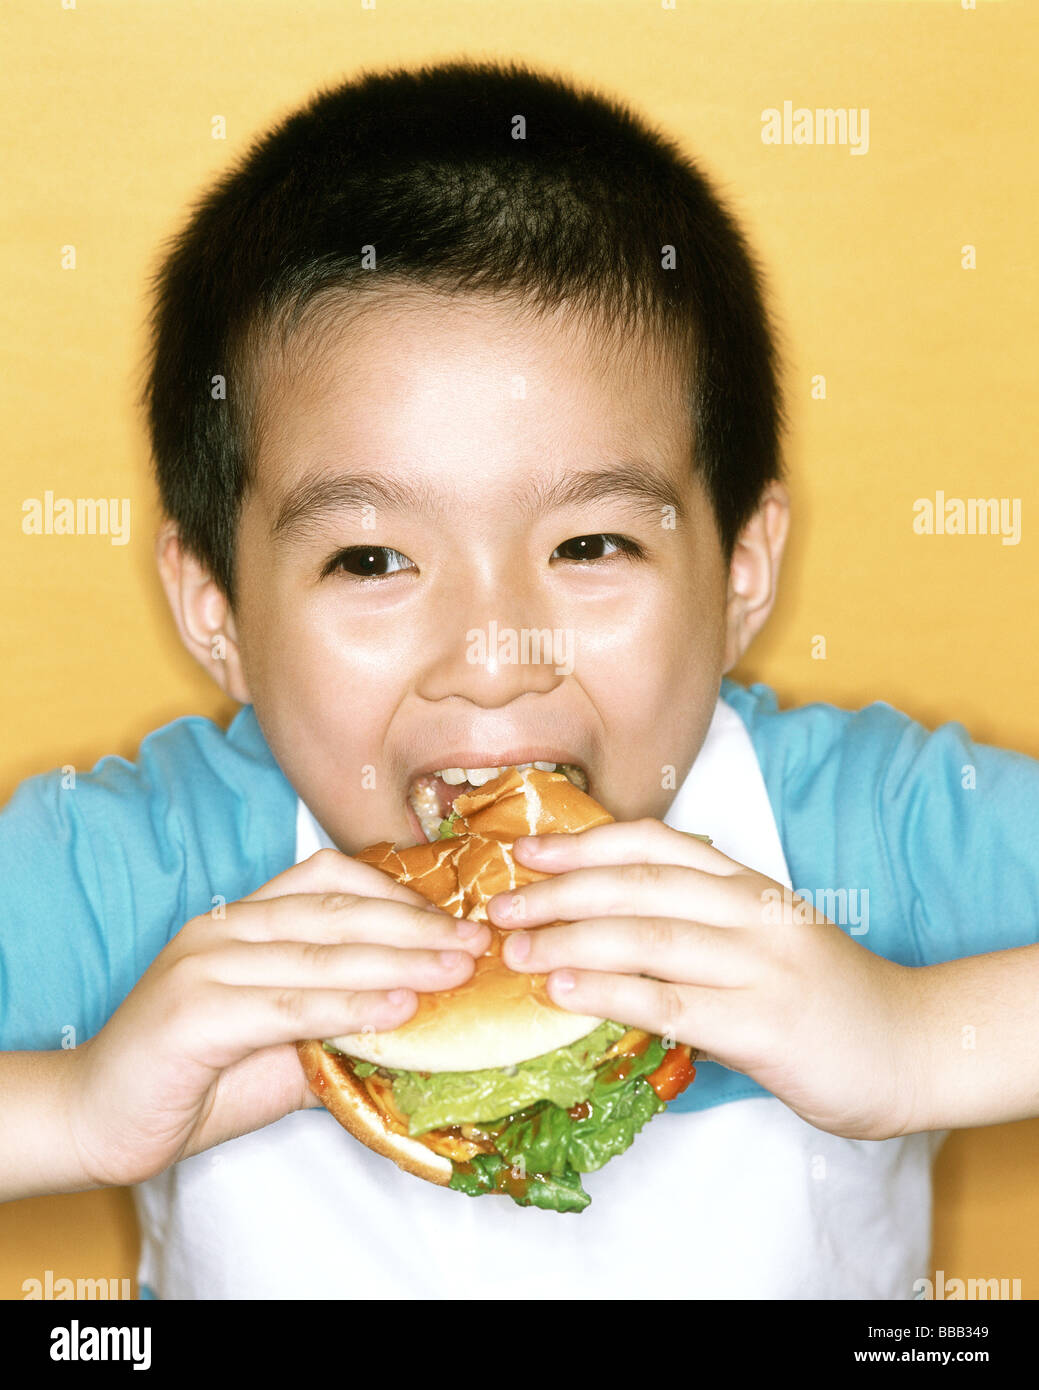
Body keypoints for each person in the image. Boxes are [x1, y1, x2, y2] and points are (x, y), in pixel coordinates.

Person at [2, 59, 1037, 1299]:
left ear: (743, 572)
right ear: (216, 609)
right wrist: (73, 1108)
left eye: (589, 545)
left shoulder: (866, 828)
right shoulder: (139, 865)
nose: (492, 661)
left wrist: (921, 1039)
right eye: (372, 558)